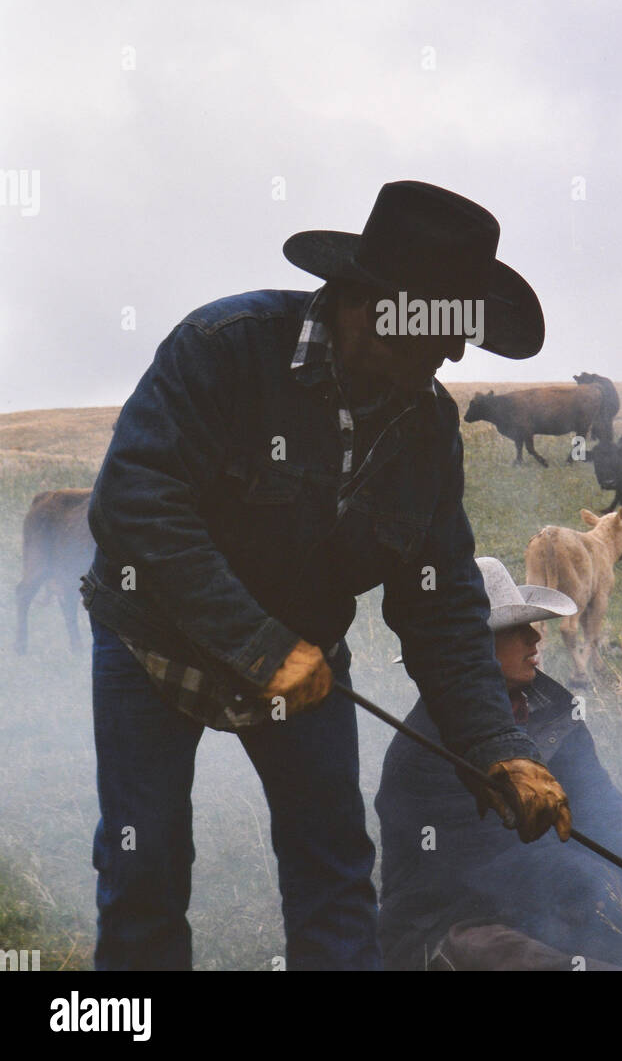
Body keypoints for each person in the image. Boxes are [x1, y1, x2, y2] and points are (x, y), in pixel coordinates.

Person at [81, 180, 571, 972]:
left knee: (334, 868)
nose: (451, 354)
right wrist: (253, 643)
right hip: (154, 640)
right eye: (439, 329)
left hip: (305, 659)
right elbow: (136, 504)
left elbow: (440, 598)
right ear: (371, 306)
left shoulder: (427, 424)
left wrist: (494, 744)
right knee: (145, 865)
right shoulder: (223, 347)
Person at [375, 557, 622, 971]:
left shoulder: (550, 711)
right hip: (454, 925)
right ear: (470, 649)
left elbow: (601, 816)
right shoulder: (429, 750)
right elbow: (513, 867)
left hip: (559, 906)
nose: (535, 637)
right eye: (514, 630)